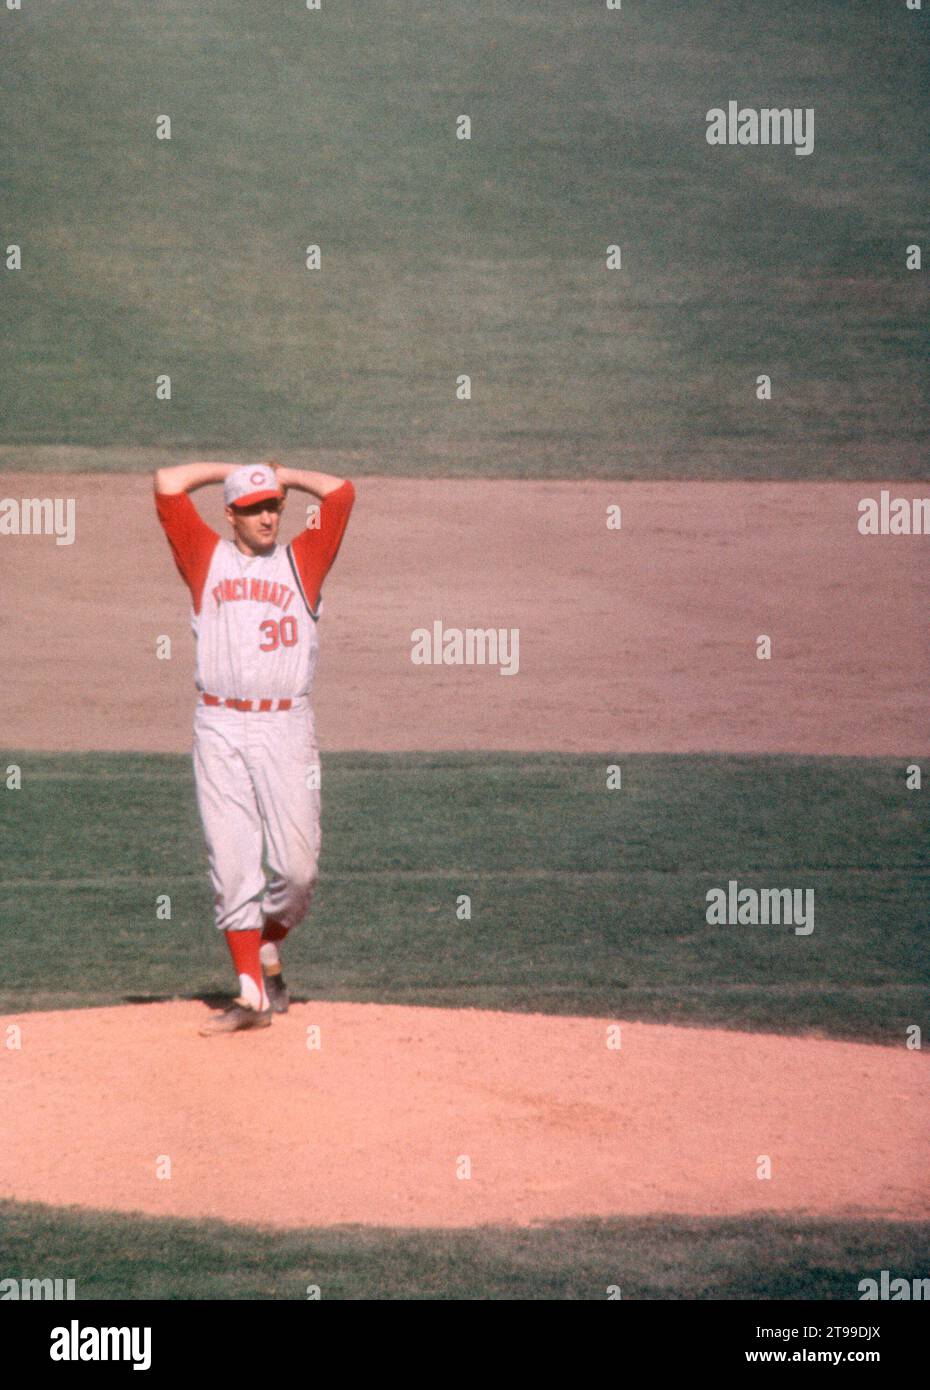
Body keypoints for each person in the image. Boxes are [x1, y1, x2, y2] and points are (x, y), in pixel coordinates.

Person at [153, 459, 355, 1035]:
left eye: (273, 507)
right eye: (253, 508)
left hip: (286, 729)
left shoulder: (303, 560)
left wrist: (281, 473)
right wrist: (231, 470)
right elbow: (167, 482)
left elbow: (342, 494)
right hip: (218, 725)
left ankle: (267, 945)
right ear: (230, 514)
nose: (267, 517)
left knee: (297, 871)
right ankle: (250, 997)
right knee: (233, 858)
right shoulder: (204, 557)